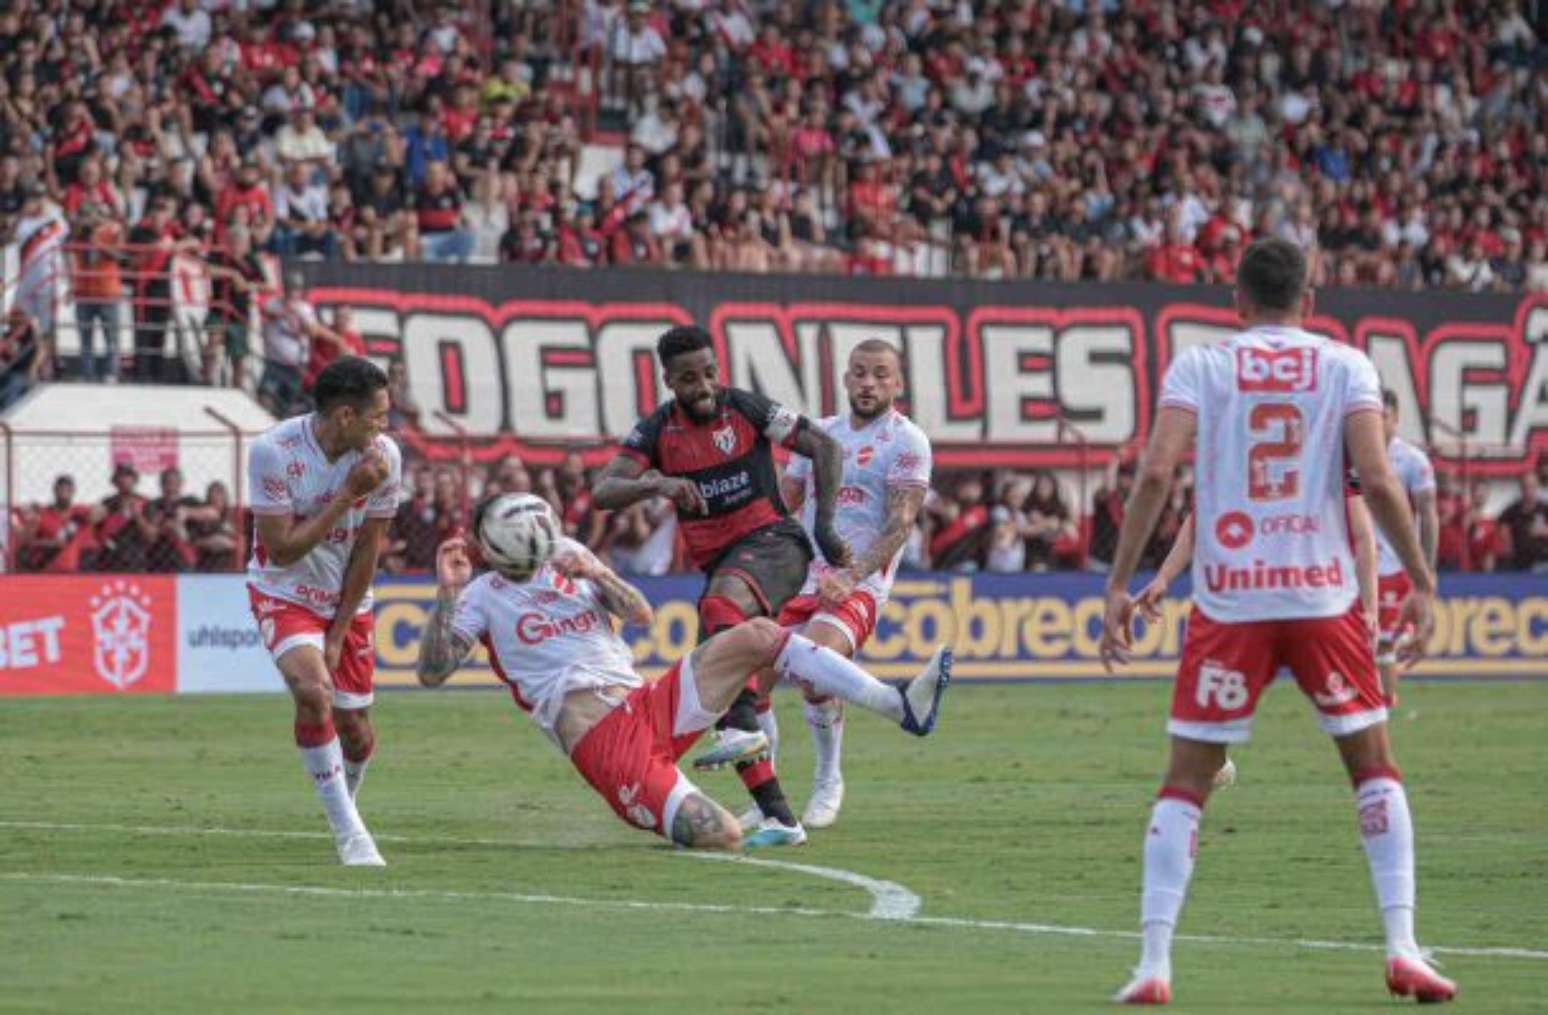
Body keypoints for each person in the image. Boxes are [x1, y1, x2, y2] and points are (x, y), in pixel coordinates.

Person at [1098, 238, 1454, 1004]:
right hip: (1323, 599)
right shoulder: (1347, 366)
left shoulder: (1201, 365)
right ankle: (1403, 946)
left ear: (1237, 301)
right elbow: (1378, 481)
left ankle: (1153, 962)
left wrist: (1121, 582)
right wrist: (1423, 583)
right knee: (1374, 766)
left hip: (1232, 600)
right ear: (1310, 302)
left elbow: (1156, 473)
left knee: (1187, 780)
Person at [414, 495, 950, 849]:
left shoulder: (569, 556)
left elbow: (640, 615)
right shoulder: (479, 596)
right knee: (723, 836)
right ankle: (761, 813)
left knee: (758, 634)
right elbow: (433, 672)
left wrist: (596, 570)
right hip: (607, 746)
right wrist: (447, 591)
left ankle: (899, 704)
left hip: (648, 702)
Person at [592, 324, 851, 847]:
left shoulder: (748, 408)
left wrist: (824, 526)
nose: (705, 386)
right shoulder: (656, 431)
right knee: (719, 682)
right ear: (669, 381)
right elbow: (604, 490)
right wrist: (658, 483)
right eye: (690, 378)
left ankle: (741, 729)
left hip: (776, 546)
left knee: (719, 611)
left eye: (710, 372)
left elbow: (824, 445)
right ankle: (780, 818)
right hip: (726, 571)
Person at [746, 339, 932, 830]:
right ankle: (767, 799)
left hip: (858, 583)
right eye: (860, 372)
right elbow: (783, 501)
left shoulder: (907, 441)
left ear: (898, 384)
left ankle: (828, 779)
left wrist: (851, 575)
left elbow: (901, 522)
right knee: (750, 681)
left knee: (814, 669)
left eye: (880, 374)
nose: (869, 383)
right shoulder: (819, 433)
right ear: (846, 378)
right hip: (798, 577)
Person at [245, 357, 402, 866]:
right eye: (377, 416)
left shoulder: (385, 457)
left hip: (346, 599)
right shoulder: (273, 451)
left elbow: (368, 548)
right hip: (284, 590)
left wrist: (338, 632)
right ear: (344, 417)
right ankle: (350, 834)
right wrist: (347, 493)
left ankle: (343, 801)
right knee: (313, 693)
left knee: (355, 730)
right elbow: (282, 550)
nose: (385, 426)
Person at [1369, 390, 1438, 706]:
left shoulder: (1412, 460)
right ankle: (1376, 700)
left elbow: (1428, 514)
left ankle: (1384, 701)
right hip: (1357, 563)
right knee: (1361, 639)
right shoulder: (1357, 459)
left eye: (1383, 416)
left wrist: (1426, 568)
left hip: (1395, 566)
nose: (1377, 423)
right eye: (1373, 416)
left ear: (1395, 418)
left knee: (1384, 641)